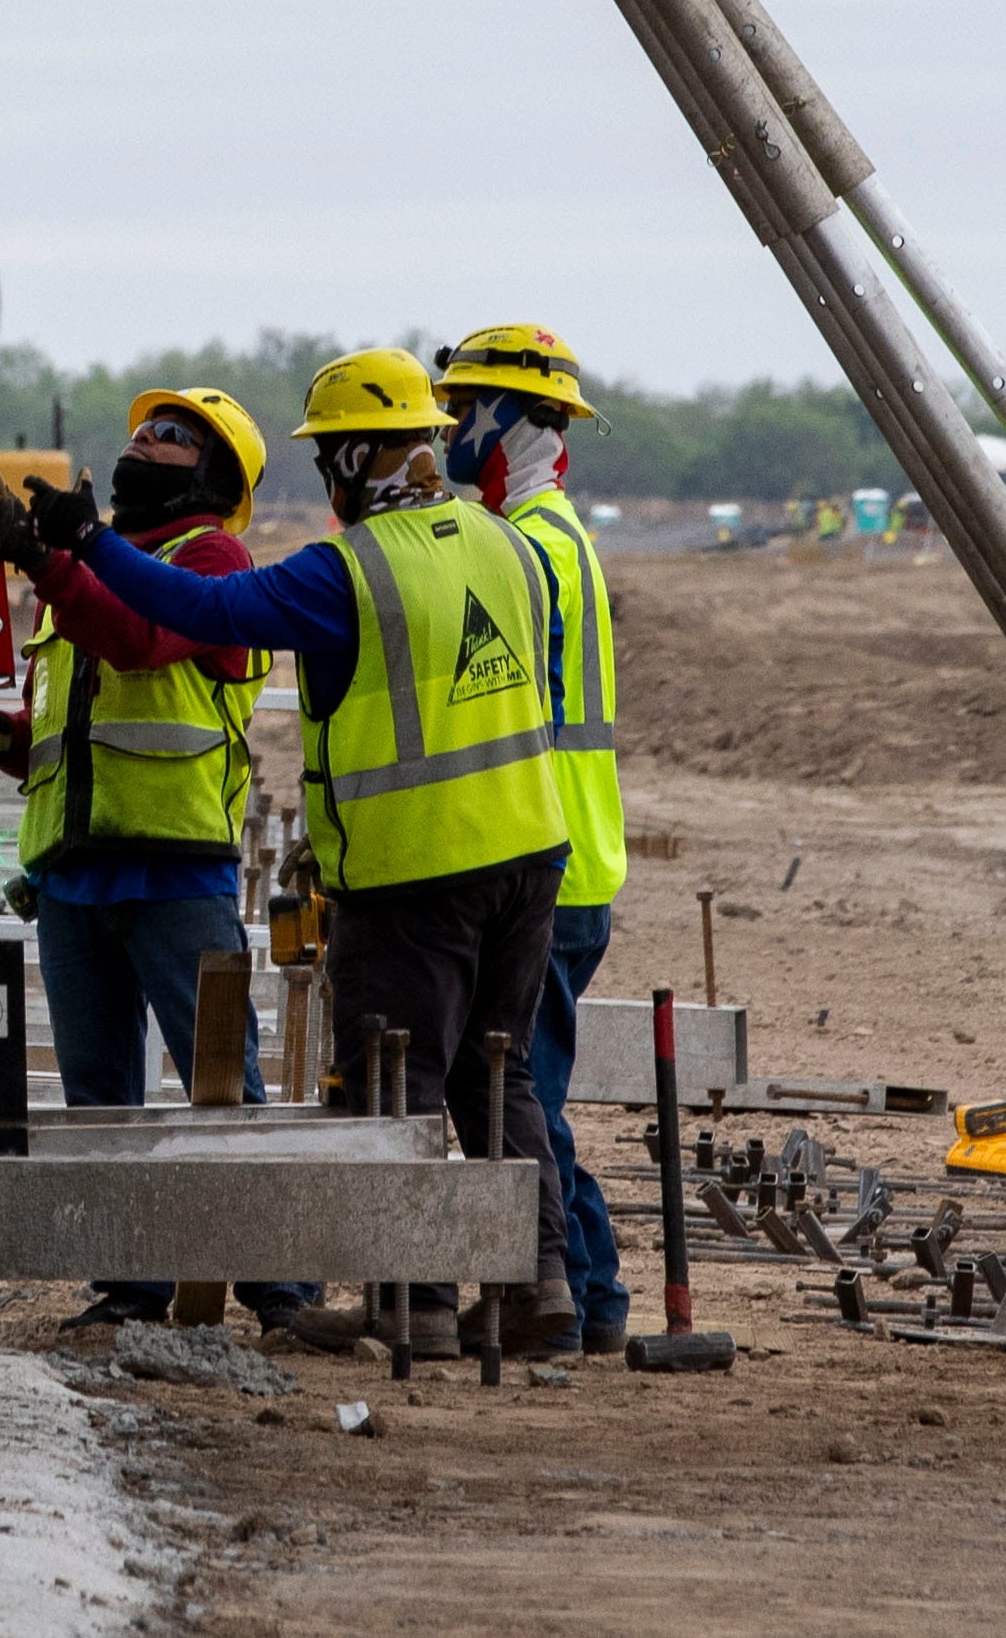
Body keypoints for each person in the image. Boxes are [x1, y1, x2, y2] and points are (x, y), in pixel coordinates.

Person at [0, 346, 573, 1361]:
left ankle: (416, 1309)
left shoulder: (347, 567)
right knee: (498, 1077)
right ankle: (540, 1293)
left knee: (396, 1088)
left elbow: (200, 617)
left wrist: (81, 540)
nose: (327, 480)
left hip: (412, 865)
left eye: (329, 461)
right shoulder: (509, 544)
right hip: (528, 851)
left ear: (356, 455)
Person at [0, 388, 312, 1333]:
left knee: (220, 1084)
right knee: (100, 1095)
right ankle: (130, 1285)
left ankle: (279, 1285)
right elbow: (79, 724)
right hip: (77, 872)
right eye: (145, 431)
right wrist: (5, 735)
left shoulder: (210, 561)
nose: (142, 445)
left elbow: (140, 641)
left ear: (212, 474)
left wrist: (45, 558)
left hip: (174, 864)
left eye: (171, 438)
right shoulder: (85, 568)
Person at [434, 324, 630, 1356]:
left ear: (510, 417)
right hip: (572, 854)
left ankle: (579, 1299)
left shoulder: (529, 549)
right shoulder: (554, 533)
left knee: (524, 1096)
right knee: (530, 1092)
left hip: (545, 861)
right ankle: (588, 1300)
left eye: (461, 408)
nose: (449, 427)